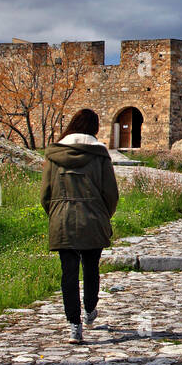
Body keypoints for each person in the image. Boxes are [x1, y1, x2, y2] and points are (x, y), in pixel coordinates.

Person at [41, 109, 119, 343]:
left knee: (69, 273)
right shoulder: (100, 154)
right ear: (94, 128)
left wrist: (54, 213)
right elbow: (110, 193)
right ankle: (89, 311)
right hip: (93, 219)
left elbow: (46, 193)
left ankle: (74, 325)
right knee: (91, 268)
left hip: (63, 220)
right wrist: (105, 214)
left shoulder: (54, 155)